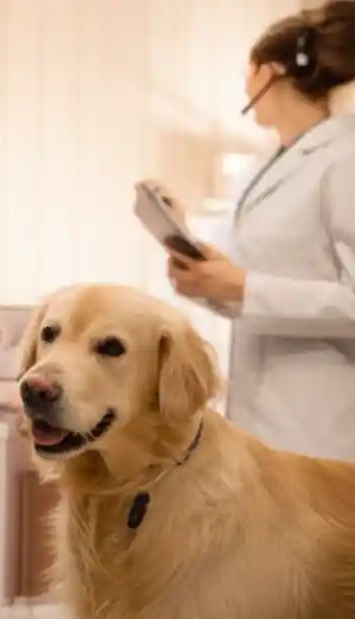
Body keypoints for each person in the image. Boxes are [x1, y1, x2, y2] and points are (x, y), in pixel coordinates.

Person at [152, 0, 355, 460]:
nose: (245, 83)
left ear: (270, 72)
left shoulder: (345, 159)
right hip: (259, 419)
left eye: (249, 70)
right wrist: (200, 271)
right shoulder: (264, 167)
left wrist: (244, 288)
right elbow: (248, 283)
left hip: (323, 425)